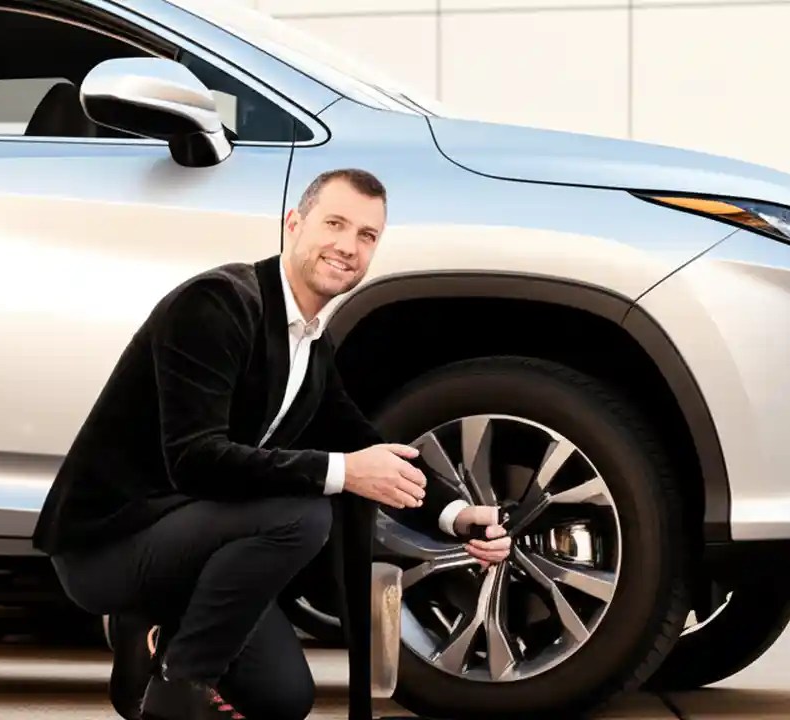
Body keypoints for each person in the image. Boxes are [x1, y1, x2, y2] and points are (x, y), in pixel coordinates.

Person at [31, 168, 511, 720]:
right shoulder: (216, 305)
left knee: (284, 699)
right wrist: (342, 472)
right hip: (114, 545)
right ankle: (179, 687)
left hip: (196, 543)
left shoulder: (309, 342)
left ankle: (155, 641)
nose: (348, 246)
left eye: (367, 236)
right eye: (335, 224)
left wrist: (455, 515)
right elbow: (194, 460)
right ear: (294, 224)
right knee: (302, 516)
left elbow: (364, 443)